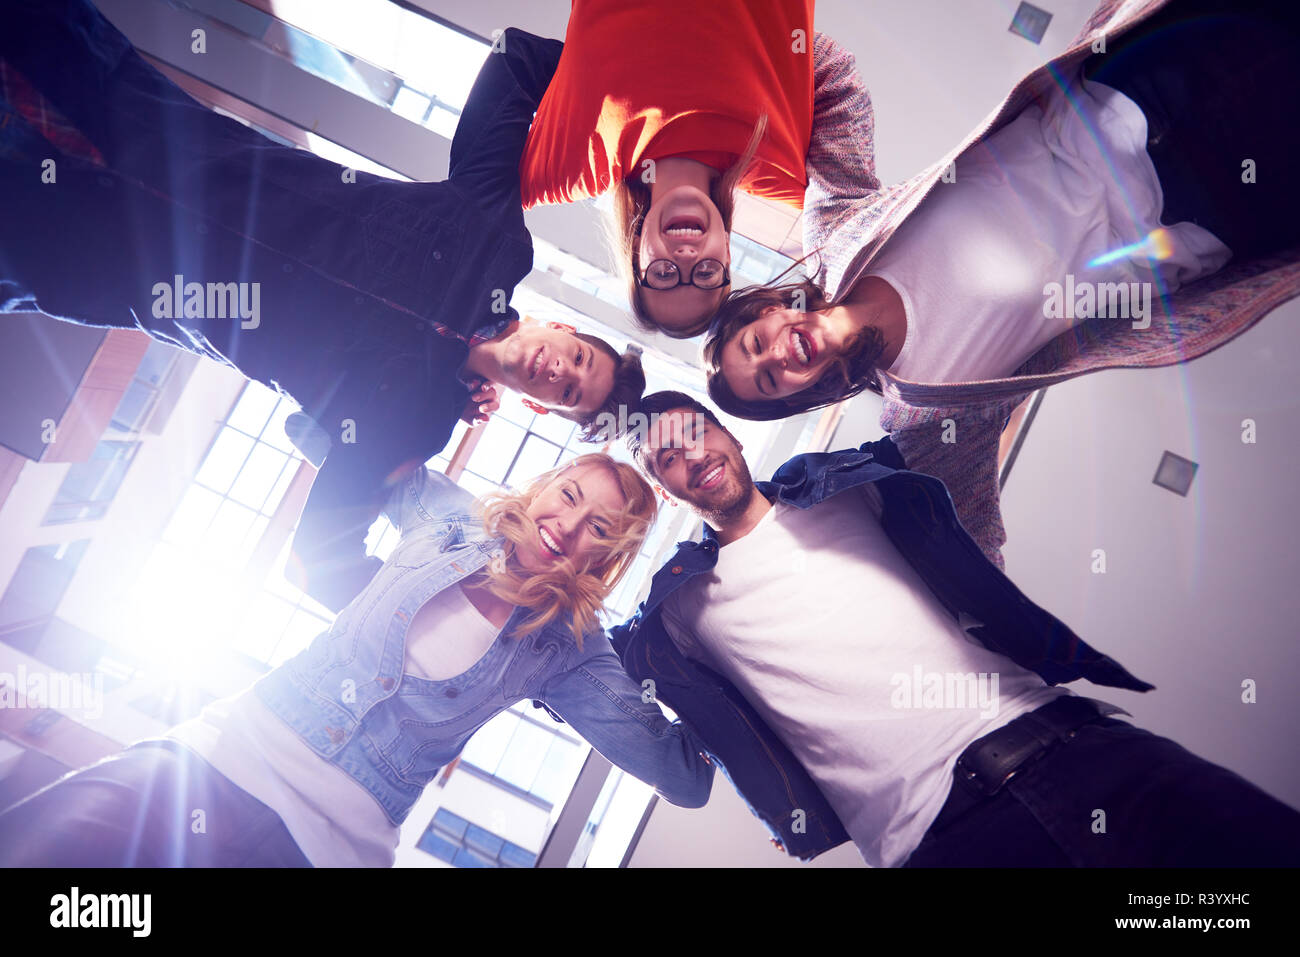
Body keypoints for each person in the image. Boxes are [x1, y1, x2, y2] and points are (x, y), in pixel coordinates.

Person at [0, 2, 645, 611]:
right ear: (566, 329)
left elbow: (322, 561)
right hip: (141, 123)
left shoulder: (416, 425)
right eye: (582, 358)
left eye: (569, 395)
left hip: (89, 259)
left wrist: (457, 622)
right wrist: (649, 121)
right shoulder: (494, 237)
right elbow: (517, 64)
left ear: (538, 406)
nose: (563, 372)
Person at [703, 0, 1300, 568]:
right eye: (771, 382)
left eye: (757, 345)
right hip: (1203, 216)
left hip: (1134, 90)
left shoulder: (838, 236)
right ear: (798, 397)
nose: (779, 356)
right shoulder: (922, 416)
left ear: (769, 310)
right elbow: (971, 545)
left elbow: (829, 83)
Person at [611, 391, 1300, 866]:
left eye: (693, 431)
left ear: (728, 431)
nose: (690, 455)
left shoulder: (856, 482)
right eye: (665, 458)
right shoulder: (677, 614)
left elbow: (964, 389)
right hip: (942, 843)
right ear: (664, 490)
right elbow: (582, 650)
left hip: (1077, 747)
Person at [0, 453, 713, 867]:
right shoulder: (448, 515)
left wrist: (693, 628)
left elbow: (682, 777)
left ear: (610, 555)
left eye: (600, 527)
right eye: (569, 495)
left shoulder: (571, 649)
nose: (567, 524)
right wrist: (452, 377)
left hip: (325, 853)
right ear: (541, 487)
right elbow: (355, 442)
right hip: (214, 762)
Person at [518, 0, 825, 339]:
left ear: (635, 253)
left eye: (664, 274)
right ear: (726, 250)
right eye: (707, 273)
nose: (686, 259)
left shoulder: (569, 166)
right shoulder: (788, 174)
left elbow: (470, 202)